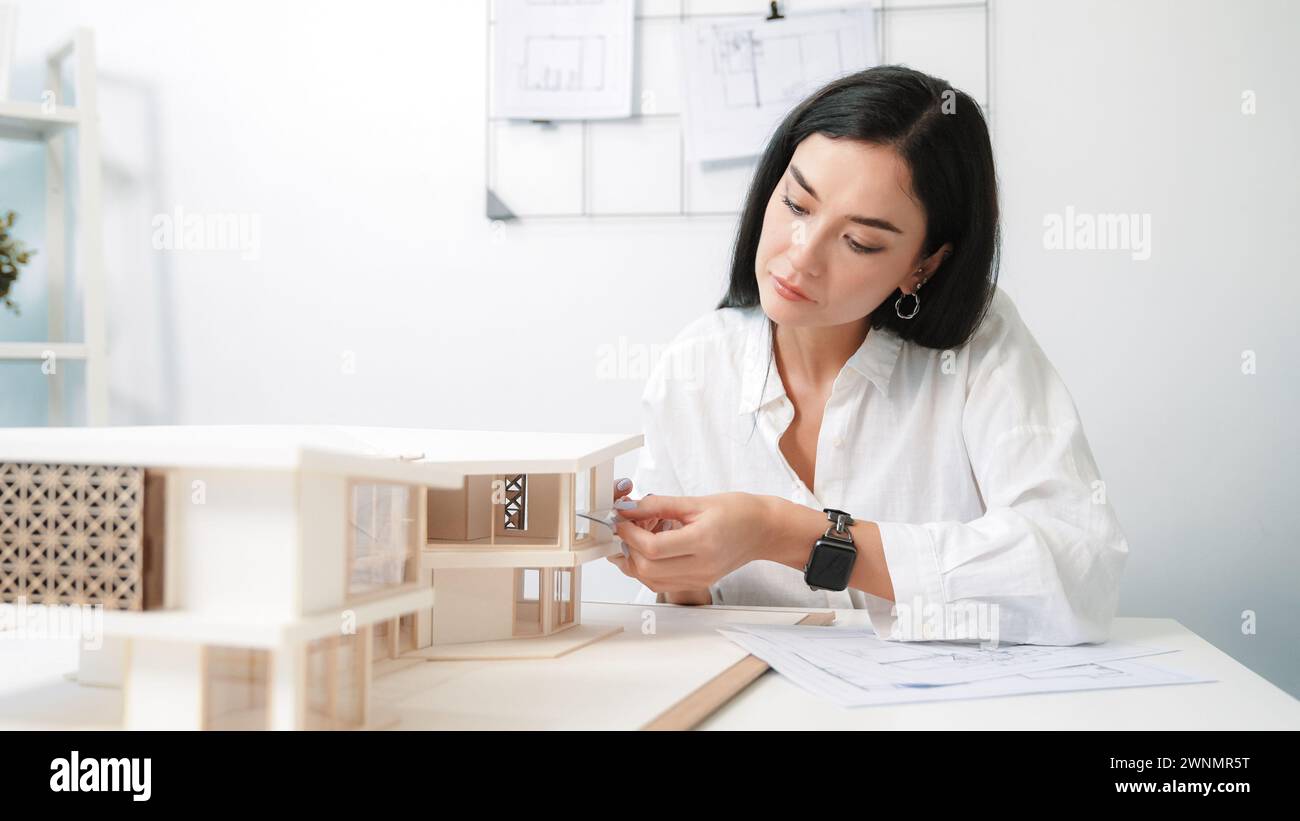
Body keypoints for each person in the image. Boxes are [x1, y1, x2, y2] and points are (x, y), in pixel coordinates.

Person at [607, 65, 1128, 645]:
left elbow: (1080, 571)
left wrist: (786, 533)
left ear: (923, 265)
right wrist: (674, 573)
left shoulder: (981, 348)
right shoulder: (695, 365)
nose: (802, 257)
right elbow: (677, 617)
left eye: (859, 241)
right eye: (797, 205)